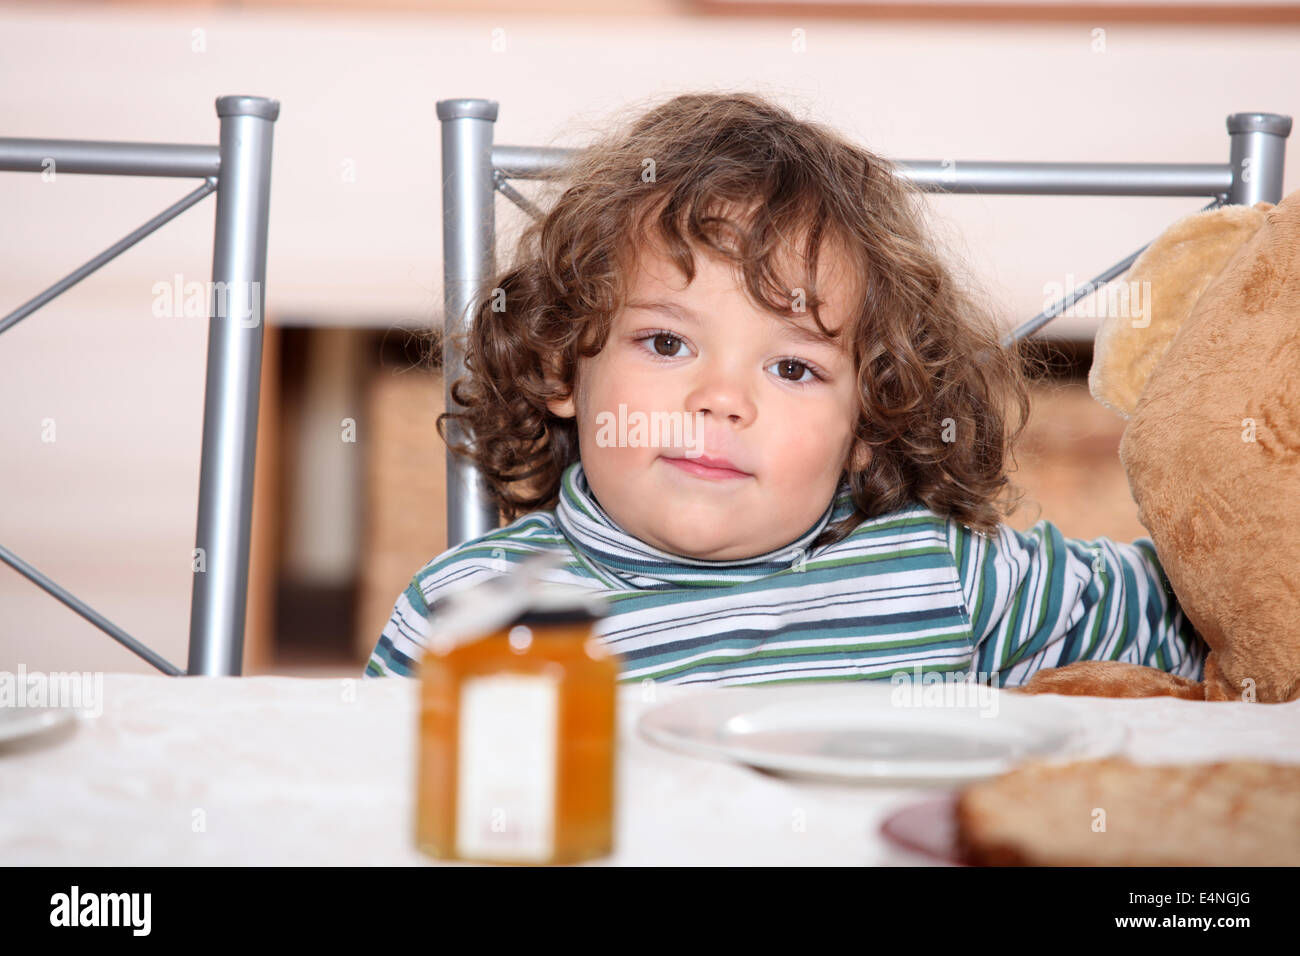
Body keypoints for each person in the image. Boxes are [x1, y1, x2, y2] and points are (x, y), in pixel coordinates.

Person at [365, 91, 1206, 688]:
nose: (723, 400)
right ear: (560, 365)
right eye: (666, 342)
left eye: (794, 367)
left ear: (869, 421)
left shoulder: (942, 573)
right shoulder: (468, 614)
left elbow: (1217, 606)